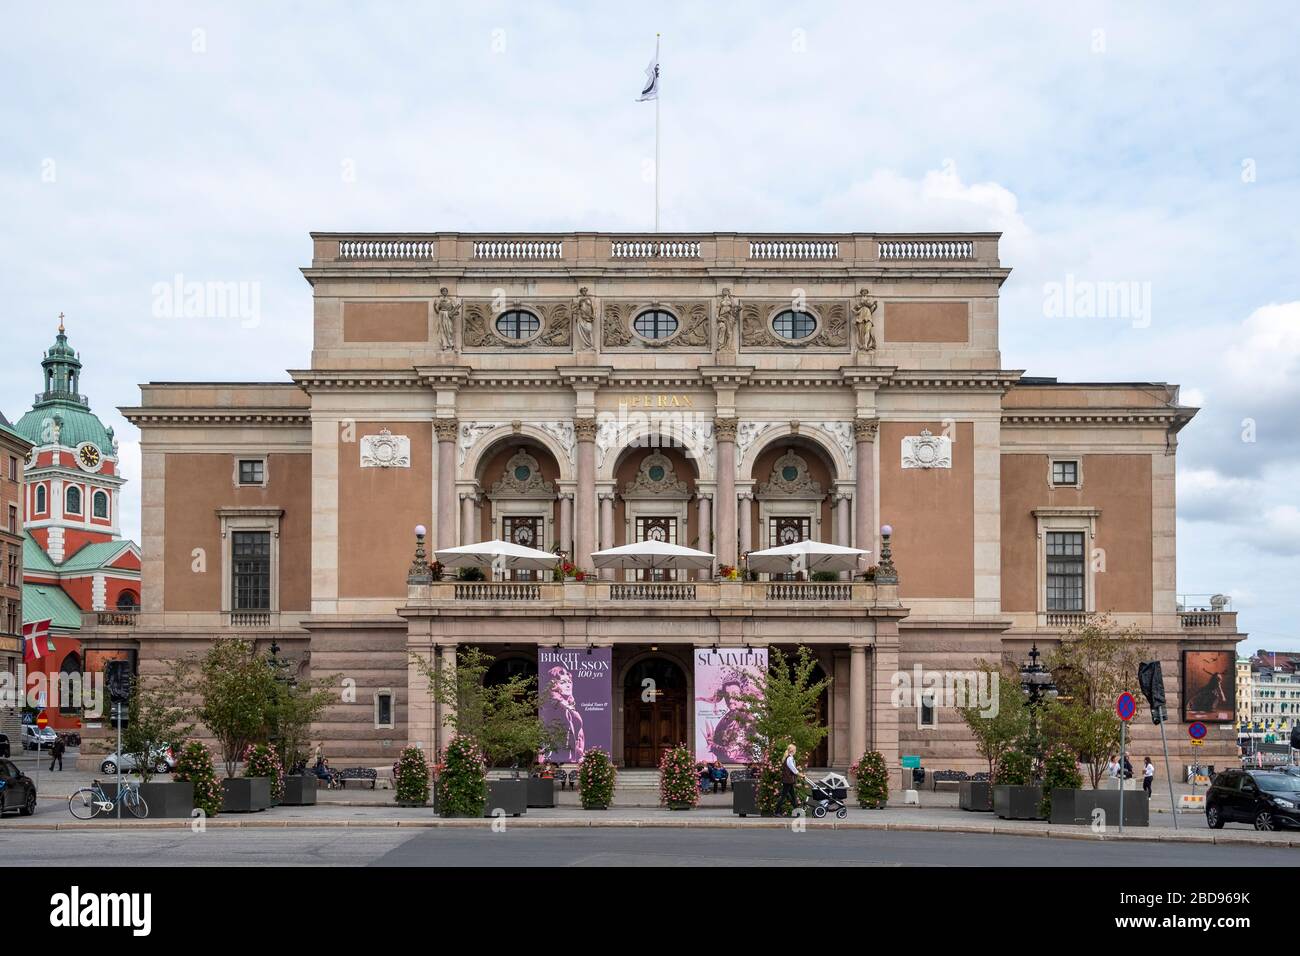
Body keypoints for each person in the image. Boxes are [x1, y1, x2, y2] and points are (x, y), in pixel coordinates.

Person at [775, 743, 800, 816]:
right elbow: (793, 769)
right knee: (784, 796)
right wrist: (800, 774)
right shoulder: (789, 758)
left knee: (793, 796)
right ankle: (776, 812)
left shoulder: (790, 758)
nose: (796, 751)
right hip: (788, 780)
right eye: (795, 750)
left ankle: (797, 813)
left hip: (789, 780)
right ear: (792, 750)